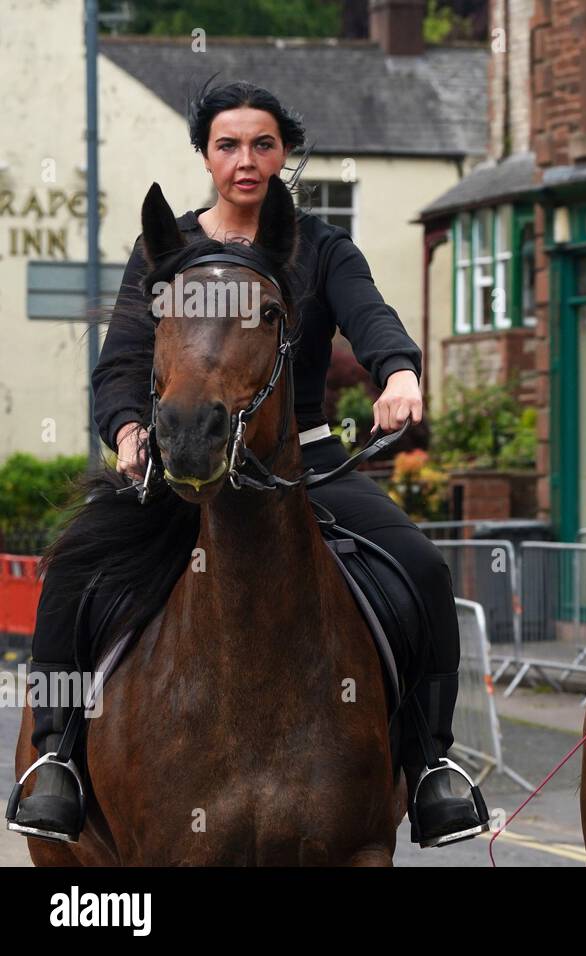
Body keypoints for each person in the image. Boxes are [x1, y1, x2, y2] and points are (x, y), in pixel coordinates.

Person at [10, 80, 486, 849]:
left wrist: (398, 373)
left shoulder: (321, 246)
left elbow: (371, 318)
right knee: (70, 572)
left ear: (283, 153)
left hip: (307, 468)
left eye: (262, 144)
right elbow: (124, 362)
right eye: (228, 144)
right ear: (204, 153)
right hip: (180, 470)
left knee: (423, 568)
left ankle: (431, 767)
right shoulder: (163, 252)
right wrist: (131, 432)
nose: (246, 160)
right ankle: (57, 760)